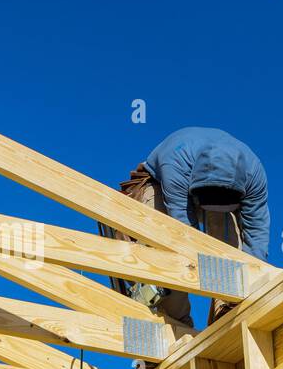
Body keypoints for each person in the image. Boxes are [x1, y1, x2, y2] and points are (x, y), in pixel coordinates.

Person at [106, 126, 270, 328]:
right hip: (160, 188)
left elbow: (257, 232)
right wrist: (195, 271)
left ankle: (228, 302)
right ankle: (174, 324)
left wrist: (254, 279)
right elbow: (184, 234)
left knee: (226, 225)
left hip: (214, 189)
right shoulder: (175, 163)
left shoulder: (253, 173)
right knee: (163, 240)